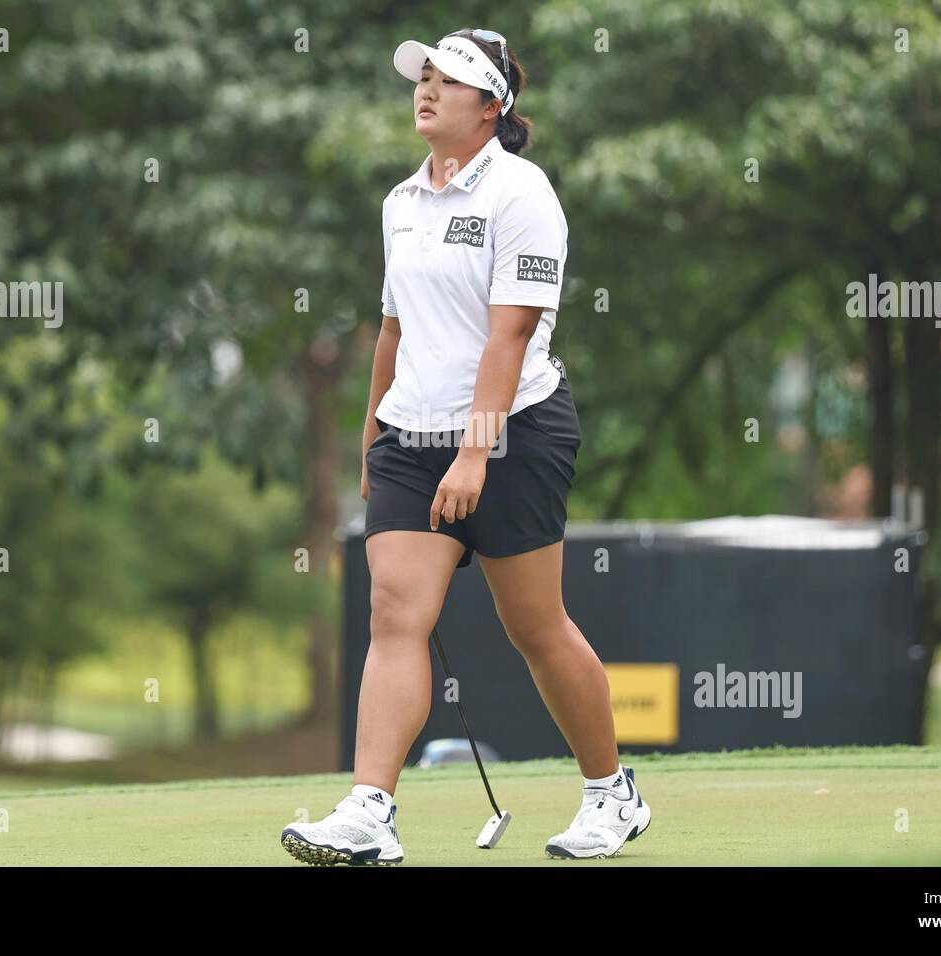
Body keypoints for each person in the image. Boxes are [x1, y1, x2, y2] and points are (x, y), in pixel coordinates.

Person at [280, 27, 650, 866]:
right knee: (393, 611)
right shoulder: (400, 203)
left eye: (448, 81)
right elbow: (392, 328)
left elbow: (509, 337)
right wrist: (374, 429)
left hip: (515, 433)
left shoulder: (523, 195)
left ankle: (610, 794)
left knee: (535, 626)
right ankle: (370, 810)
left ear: (492, 106)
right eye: (422, 78)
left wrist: (475, 454)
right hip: (414, 437)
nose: (426, 90)